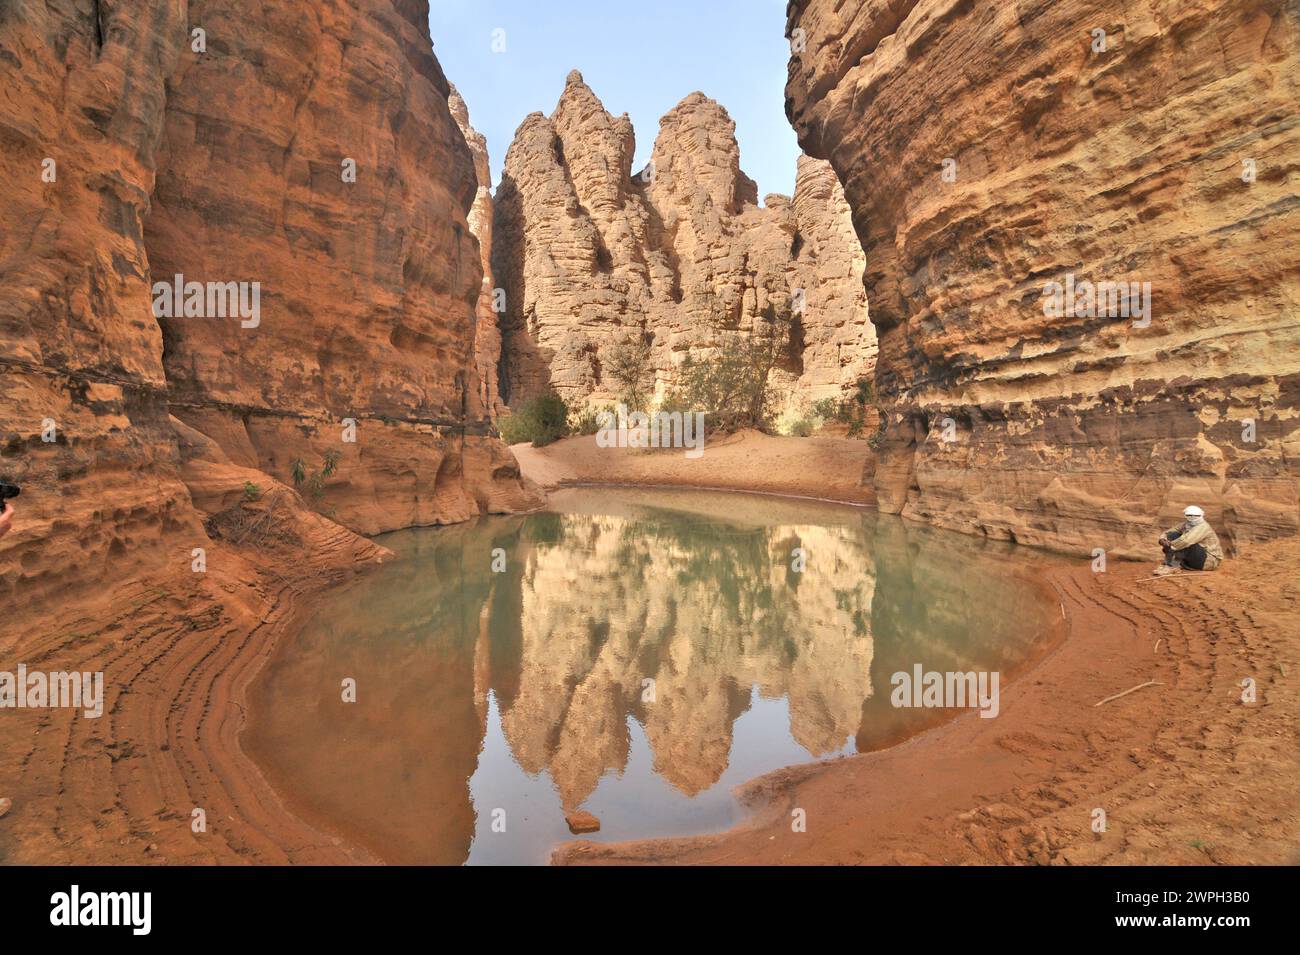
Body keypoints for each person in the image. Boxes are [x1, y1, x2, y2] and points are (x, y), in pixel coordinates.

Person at [1156, 505, 1223, 575]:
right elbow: (1171, 531)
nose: (1192, 517)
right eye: (1189, 515)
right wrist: (1162, 539)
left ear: (1201, 515)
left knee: (1186, 543)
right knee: (1172, 534)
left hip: (1208, 561)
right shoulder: (1187, 524)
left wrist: (1169, 547)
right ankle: (1169, 563)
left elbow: (1186, 541)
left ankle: (1172, 566)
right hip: (1196, 559)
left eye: (1196, 516)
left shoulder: (1203, 527)